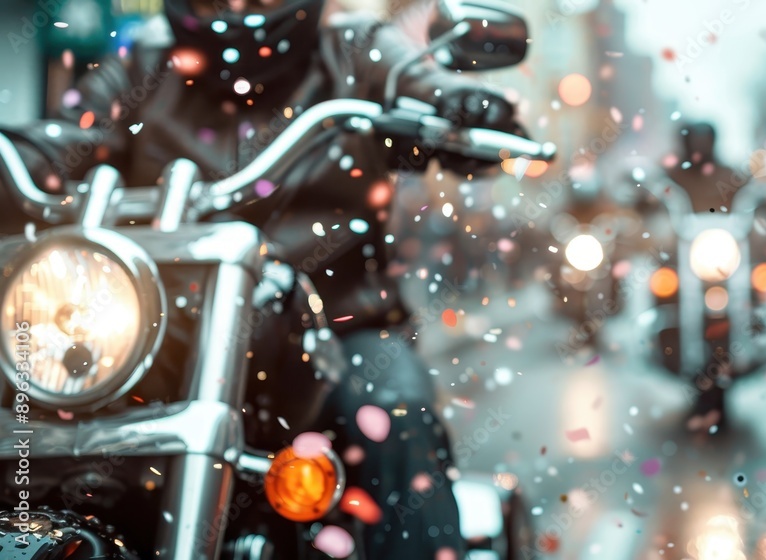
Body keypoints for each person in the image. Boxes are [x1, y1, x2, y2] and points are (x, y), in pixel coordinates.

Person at [0, 0, 520, 557]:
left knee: (396, 416)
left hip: (337, 322)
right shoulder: (146, 54)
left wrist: (460, 105)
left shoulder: (353, 44)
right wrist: (23, 150)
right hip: (160, 330)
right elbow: (69, 137)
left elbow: (415, 81)